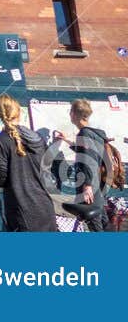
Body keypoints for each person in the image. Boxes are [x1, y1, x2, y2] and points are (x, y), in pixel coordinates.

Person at [0, 92, 56, 231]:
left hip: (22, 210)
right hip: (45, 207)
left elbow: (0, 179)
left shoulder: (0, 140)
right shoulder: (37, 138)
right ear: (19, 113)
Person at [60, 98, 111, 231]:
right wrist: (67, 140)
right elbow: (89, 153)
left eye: (70, 111)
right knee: (102, 221)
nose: (70, 114)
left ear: (74, 114)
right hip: (97, 183)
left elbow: (88, 159)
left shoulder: (84, 133)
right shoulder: (96, 134)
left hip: (89, 185)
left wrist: (87, 185)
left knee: (94, 225)